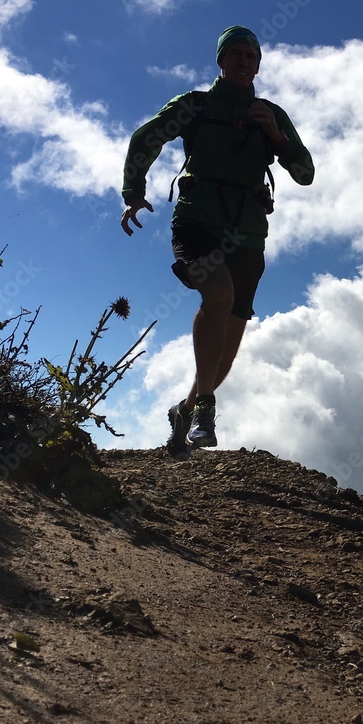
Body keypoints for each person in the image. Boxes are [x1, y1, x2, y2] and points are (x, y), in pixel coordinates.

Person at [120, 26, 314, 459]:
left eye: (251, 55)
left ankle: (185, 412)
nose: (244, 61)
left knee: (230, 343)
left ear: (258, 65)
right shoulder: (196, 105)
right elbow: (144, 139)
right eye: (235, 54)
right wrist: (133, 192)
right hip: (198, 221)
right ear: (221, 61)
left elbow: (305, 174)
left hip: (248, 232)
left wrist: (277, 138)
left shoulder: (271, 113)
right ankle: (206, 407)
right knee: (218, 294)